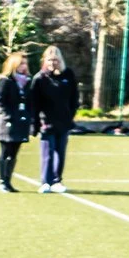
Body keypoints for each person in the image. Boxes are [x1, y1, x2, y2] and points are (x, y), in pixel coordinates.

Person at [27, 45, 80, 192]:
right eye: (50, 60)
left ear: (60, 60)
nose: (53, 63)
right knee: (47, 153)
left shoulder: (68, 75)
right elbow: (34, 103)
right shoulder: (39, 78)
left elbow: (74, 98)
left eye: (55, 60)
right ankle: (45, 182)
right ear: (45, 60)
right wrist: (35, 123)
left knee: (60, 152)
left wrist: (70, 115)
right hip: (46, 122)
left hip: (64, 122)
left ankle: (57, 181)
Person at [0, 52, 32, 193]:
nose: (23, 66)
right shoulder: (5, 81)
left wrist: (27, 116)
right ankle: (2, 181)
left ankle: (8, 181)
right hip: (7, 124)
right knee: (5, 152)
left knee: (14, 154)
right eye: (21, 63)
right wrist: (8, 116)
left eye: (25, 63)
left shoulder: (28, 81)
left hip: (21, 123)